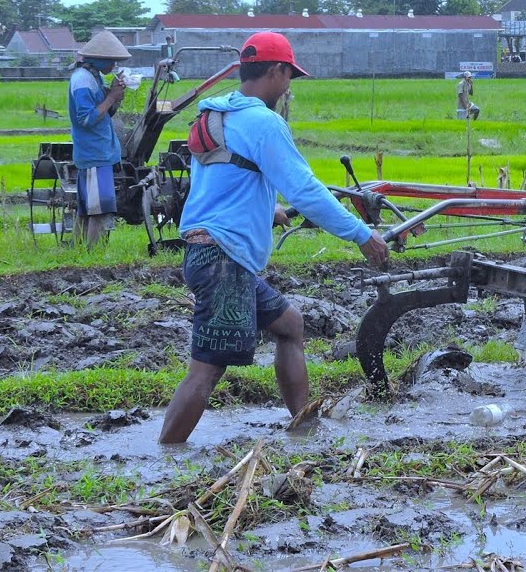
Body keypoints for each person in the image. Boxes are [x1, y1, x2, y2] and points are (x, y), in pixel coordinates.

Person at [160, 31, 389, 444]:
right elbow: (305, 189)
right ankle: (166, 454)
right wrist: (360, 234)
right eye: (289, 77)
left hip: (211, 252)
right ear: (277, 70)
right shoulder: (265, 122)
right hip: (223, 259)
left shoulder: (215, 117)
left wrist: (269, 210)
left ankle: (303, 424)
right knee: (207, 368)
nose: (288, 87)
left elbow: (219, 184)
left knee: (289, 324)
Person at [67, 30, 132, 249]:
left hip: (98, 151)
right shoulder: (83, 81)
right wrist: (111, 97)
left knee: (87, 208)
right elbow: (86, 118)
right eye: (112, 60)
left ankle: (80, 251)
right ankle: (93, 254)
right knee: (99, 207)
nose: (114, 65)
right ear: (99, 59)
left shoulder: (93, 77)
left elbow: (104, 113)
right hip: (94, 152)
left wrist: (114, 98)